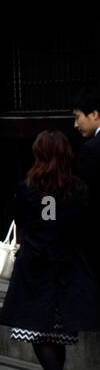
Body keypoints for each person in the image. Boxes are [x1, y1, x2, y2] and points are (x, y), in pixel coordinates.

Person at [0, 129, 97, 370]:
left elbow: (20, 221)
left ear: (38, 154)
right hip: (67, 265)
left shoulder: (27, 188)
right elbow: (84, 227)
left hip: (35, 264)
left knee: (35, 328)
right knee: (57, 329)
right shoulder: (78, 190)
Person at [73, 88, 100, 282]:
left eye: (77, 117)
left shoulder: (91, 149)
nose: (76, 124)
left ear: (94, 114)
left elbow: (88, 196)